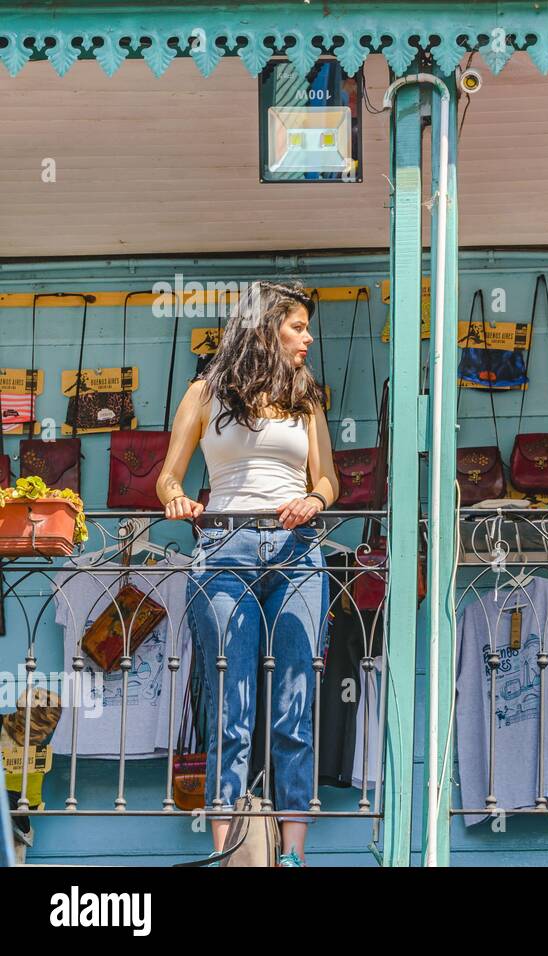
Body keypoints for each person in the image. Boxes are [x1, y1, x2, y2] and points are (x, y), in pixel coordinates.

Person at [156, 280, 340, 867]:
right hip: (225, 553)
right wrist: (179, 501)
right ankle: (229, 853)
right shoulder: (205, 392)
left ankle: (292, 857)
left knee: (294, 705)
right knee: (229, 708)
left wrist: (315, 501)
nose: (308, 338)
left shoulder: (306, 397)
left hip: (296, 553)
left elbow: (328, 480)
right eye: (298, 327)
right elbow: (168, 477)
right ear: (266, 328)